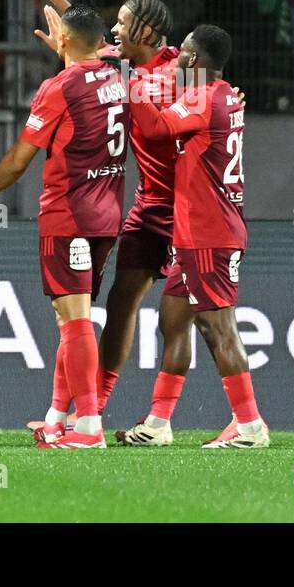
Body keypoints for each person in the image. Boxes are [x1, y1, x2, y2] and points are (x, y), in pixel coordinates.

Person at [0, 3, 128, 450]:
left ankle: (89, 426)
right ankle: (58, 417)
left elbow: (19, 160)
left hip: (69, 214)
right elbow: (94, 46)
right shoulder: (120, 73)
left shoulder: (59, 87)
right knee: (71, 315)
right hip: (108, 214)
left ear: (64, 40)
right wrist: (70, 32)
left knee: (73, 320)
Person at [28, 0, 178, 417]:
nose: (114, 29)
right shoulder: (126, 66)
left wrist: (228, 94)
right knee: (120, 300)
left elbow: (208, 91)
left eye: (124, 22)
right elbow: (91, 42)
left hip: (185, 209)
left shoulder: (176, 72)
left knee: (192, 318)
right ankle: (89, 411)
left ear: (146, 31)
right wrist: (60, 2)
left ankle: (165, 419)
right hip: (146, 203)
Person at [117, 24, 268, 449]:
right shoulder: (222, 94)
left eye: (182, 52)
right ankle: (159, 423)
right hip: (195, 232)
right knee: (173, 320)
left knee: (219, 328)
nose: (175, 56)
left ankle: (250, 425)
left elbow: (157, 128)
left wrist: (132, 84)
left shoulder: (203, 97)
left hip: (210, 232)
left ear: (196, 61)